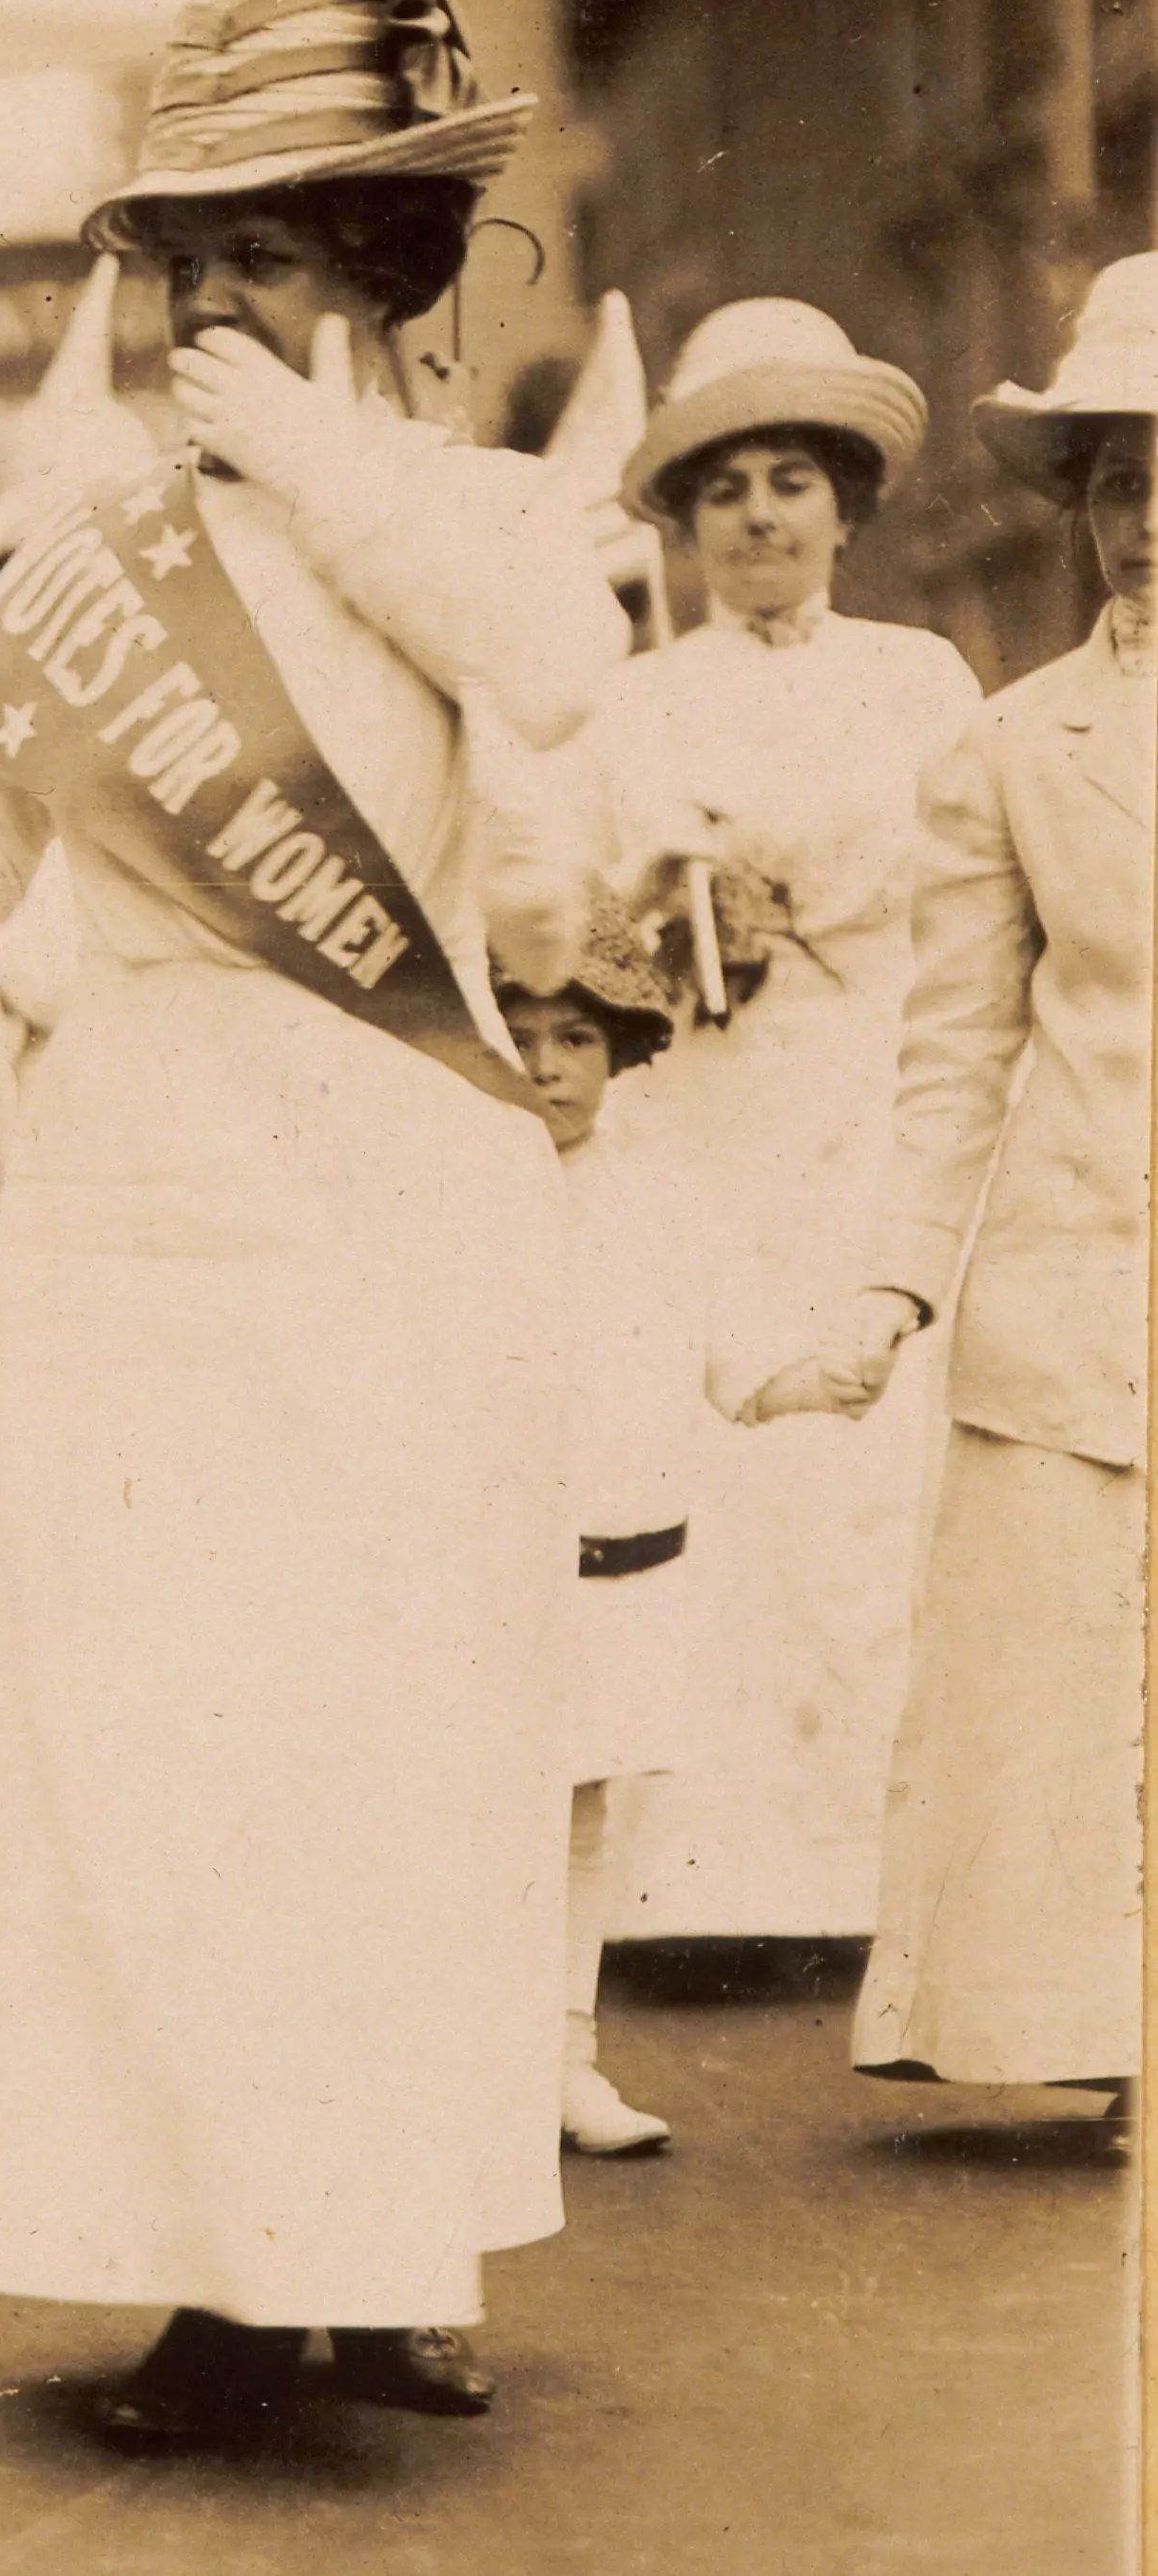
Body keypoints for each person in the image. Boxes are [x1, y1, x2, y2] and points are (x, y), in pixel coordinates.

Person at [0, 0, 626, 2443]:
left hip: (393, 1193)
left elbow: (558, 667)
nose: (210, 307)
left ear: (372, 264)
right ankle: (190, 2262)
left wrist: (311, 453)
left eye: (265, 254)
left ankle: (378, 2241)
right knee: (159, 1734)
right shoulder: (72, 562)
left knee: (394, 1735)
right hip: (145, 1196)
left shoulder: (464, 517)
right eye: (187, 258)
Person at [569, 299, 989, 1938]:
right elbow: (590, 944)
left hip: (872, 1100)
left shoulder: (923, 678)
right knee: (719, 1454)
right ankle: (703, 1885)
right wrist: (669, 911)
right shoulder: (632, 702)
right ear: (682, 517)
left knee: (872, 1475)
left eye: (789, 481)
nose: (756, 515)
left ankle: (877, 1875)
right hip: (702, 1116)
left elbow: (972, 902)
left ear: (843, 506)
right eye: (725, 485)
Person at [793, 252, 1155, 2118]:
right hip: (1073, 1294)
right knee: (1069, 1706)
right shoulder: (1010, 749)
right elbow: (948, 1071)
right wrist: (887, 1292)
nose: (1144, 519)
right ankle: (1095, 2040)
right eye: (1113, 476)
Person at [504, 914, 855, 2155]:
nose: (544, 1064)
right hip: (479, 1570)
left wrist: (828, 1374)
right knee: (474, 1810)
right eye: (518, 1033)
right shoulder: (447, 1191)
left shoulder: (663, 1202)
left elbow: (741, 1371)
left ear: (624, 1050)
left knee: (582, 1807)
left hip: (616, 1559)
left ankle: (560, 2061)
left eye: (575, 1037)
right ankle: (458, 2067)